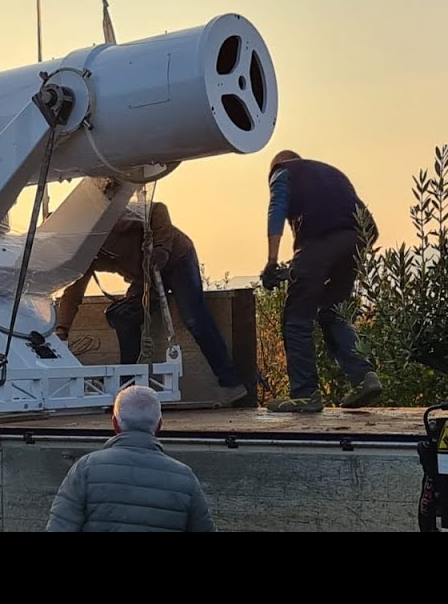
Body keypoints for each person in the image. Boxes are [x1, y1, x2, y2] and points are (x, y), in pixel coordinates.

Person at [56, 201, 254, 407]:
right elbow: (73, 293)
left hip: (177, 259)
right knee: (123, 316)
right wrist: (62, 330)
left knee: (193, 317)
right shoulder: (83, 255)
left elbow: (157, 209)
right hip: (146, 275)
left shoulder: (110, 219)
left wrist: (161, 249)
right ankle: (128, 386)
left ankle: (230, 382)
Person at [261, 150, 383, 413]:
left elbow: (276, 210)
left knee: (296, 319)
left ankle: (305, 394)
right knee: (333, 312)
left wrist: (272, 261)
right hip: (357, 240)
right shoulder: (331, 173)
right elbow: (368, 226)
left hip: (319, 242)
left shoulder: (282, 172)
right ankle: (364, 376)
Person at [45, 385, 215, 532]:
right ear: (159, 425)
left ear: (115, 423)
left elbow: (59, 527)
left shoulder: (85, 469)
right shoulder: (184, 477)